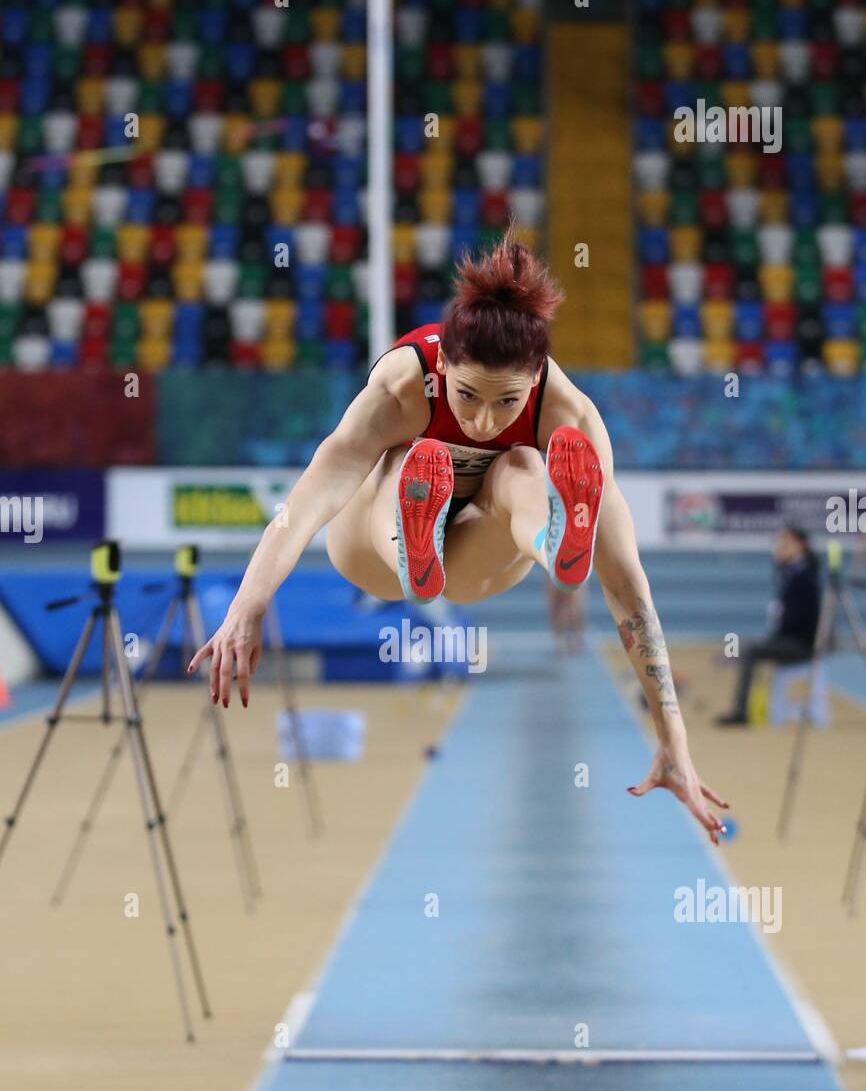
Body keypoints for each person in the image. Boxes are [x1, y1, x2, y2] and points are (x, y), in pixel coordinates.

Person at [189, 230, 728, 842]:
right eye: (467, 395)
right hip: (368, 548)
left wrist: (673, 740)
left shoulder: (568, 416)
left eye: (507, 403)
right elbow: (310, 498)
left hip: (475, 562)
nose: (482, 420)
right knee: (405, 462)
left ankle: (553, 543)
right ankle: (413, 536)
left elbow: (629, 588)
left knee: (523, 468)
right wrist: (247, 604)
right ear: (442, 363)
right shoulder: (399, 387)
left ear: (536, 380)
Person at [716, 525, 822, 726]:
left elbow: (801, 622)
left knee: (749, 651)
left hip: (800, 644)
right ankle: (745, 708)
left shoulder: (804, 577)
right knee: (748, 648)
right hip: (791, 638)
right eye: (779, 544)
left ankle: (740, 711)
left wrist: (779, 628)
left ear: (801, 546)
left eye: (785, 544)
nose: (779, 548)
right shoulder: (792, 573)